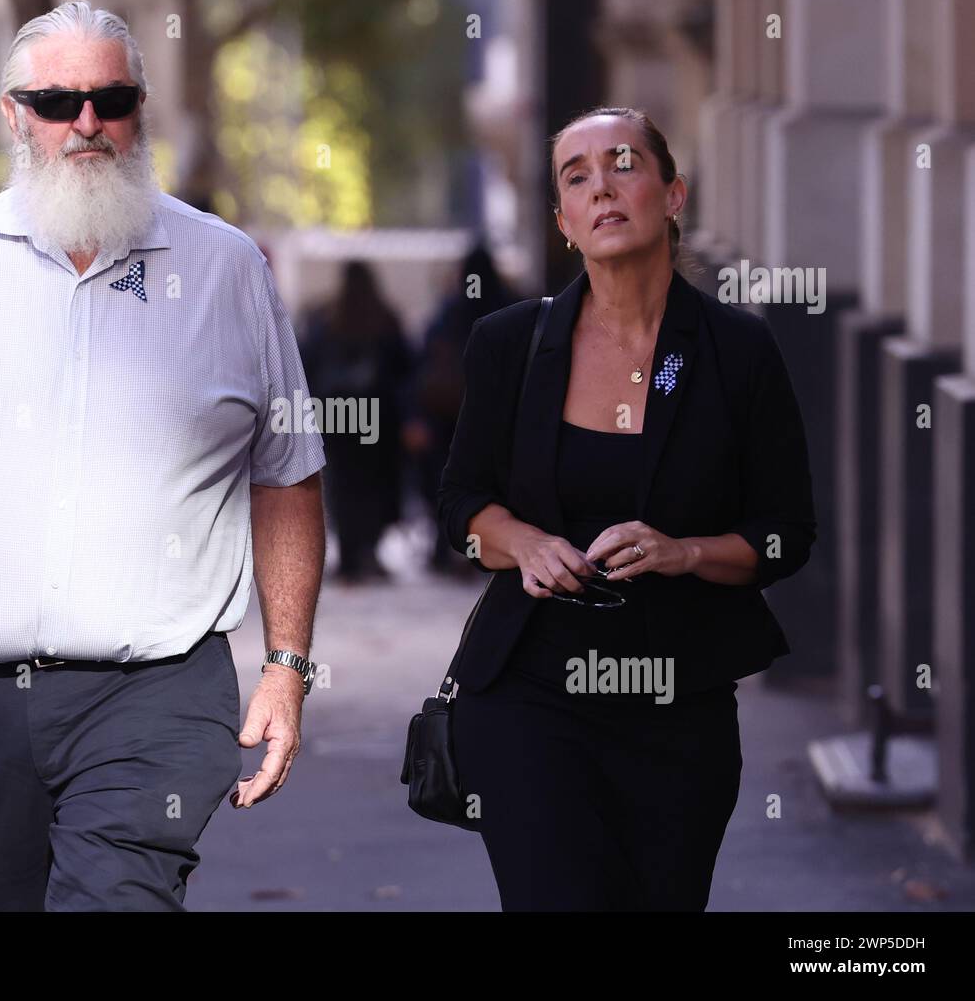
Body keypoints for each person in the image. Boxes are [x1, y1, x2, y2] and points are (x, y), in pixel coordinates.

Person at [0, 1, 327, 911]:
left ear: (140, 108)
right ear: (14, 114)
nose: (86, 123)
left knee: (118, 897)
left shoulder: (228, 270)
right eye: (56, 100)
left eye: (111, 98)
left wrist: (288, 664)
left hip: (156, 700)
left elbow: (287, 476)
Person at [437, 105, 816, 911]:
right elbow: (462, 505)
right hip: (529, 697)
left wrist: (684, 552)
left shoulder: (737, 351)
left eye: (623, 165)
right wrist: (526, 544)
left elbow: (785, 533)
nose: (601, 188)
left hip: (680, 708)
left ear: (673, 195)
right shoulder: (510, 344)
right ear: (564, 222)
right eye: (577, 178)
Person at [405, 242, 518, 572]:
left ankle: (450, 545)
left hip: (446, 415)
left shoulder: (449, 312)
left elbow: (421, 367)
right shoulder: (512, 307)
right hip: (499, 417)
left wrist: (417, 417)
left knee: (448, 480)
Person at [299, 260, 411, 583]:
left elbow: (308, 363)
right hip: (378, 419)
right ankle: (369, 552)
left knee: (342, 486)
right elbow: (404, 367)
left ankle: (349, 555)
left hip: (338, 417)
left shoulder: (327, 318)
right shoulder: (385, 319)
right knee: (375, 484)